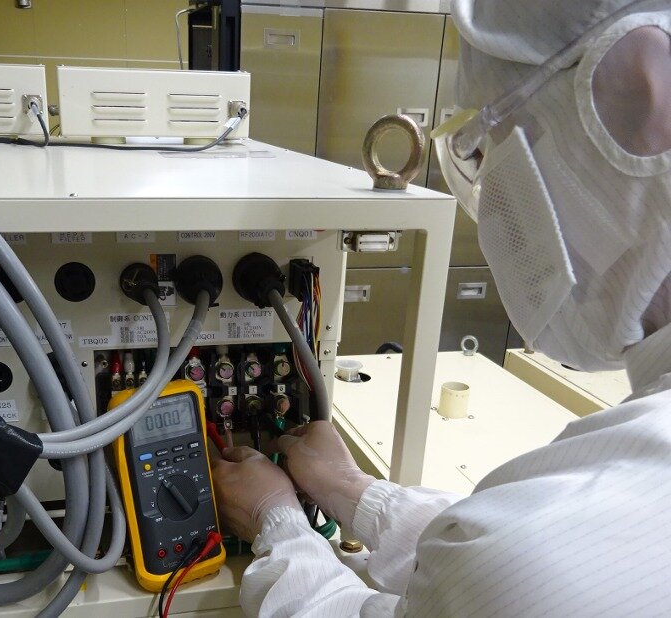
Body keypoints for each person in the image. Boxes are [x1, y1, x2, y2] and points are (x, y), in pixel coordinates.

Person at [211, 0, 671, 615]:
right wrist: (353, 490)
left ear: (639, 108)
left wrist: (277, 521)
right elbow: (477, 562)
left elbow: (506, 570)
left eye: (492, 151)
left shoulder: (546, 561)